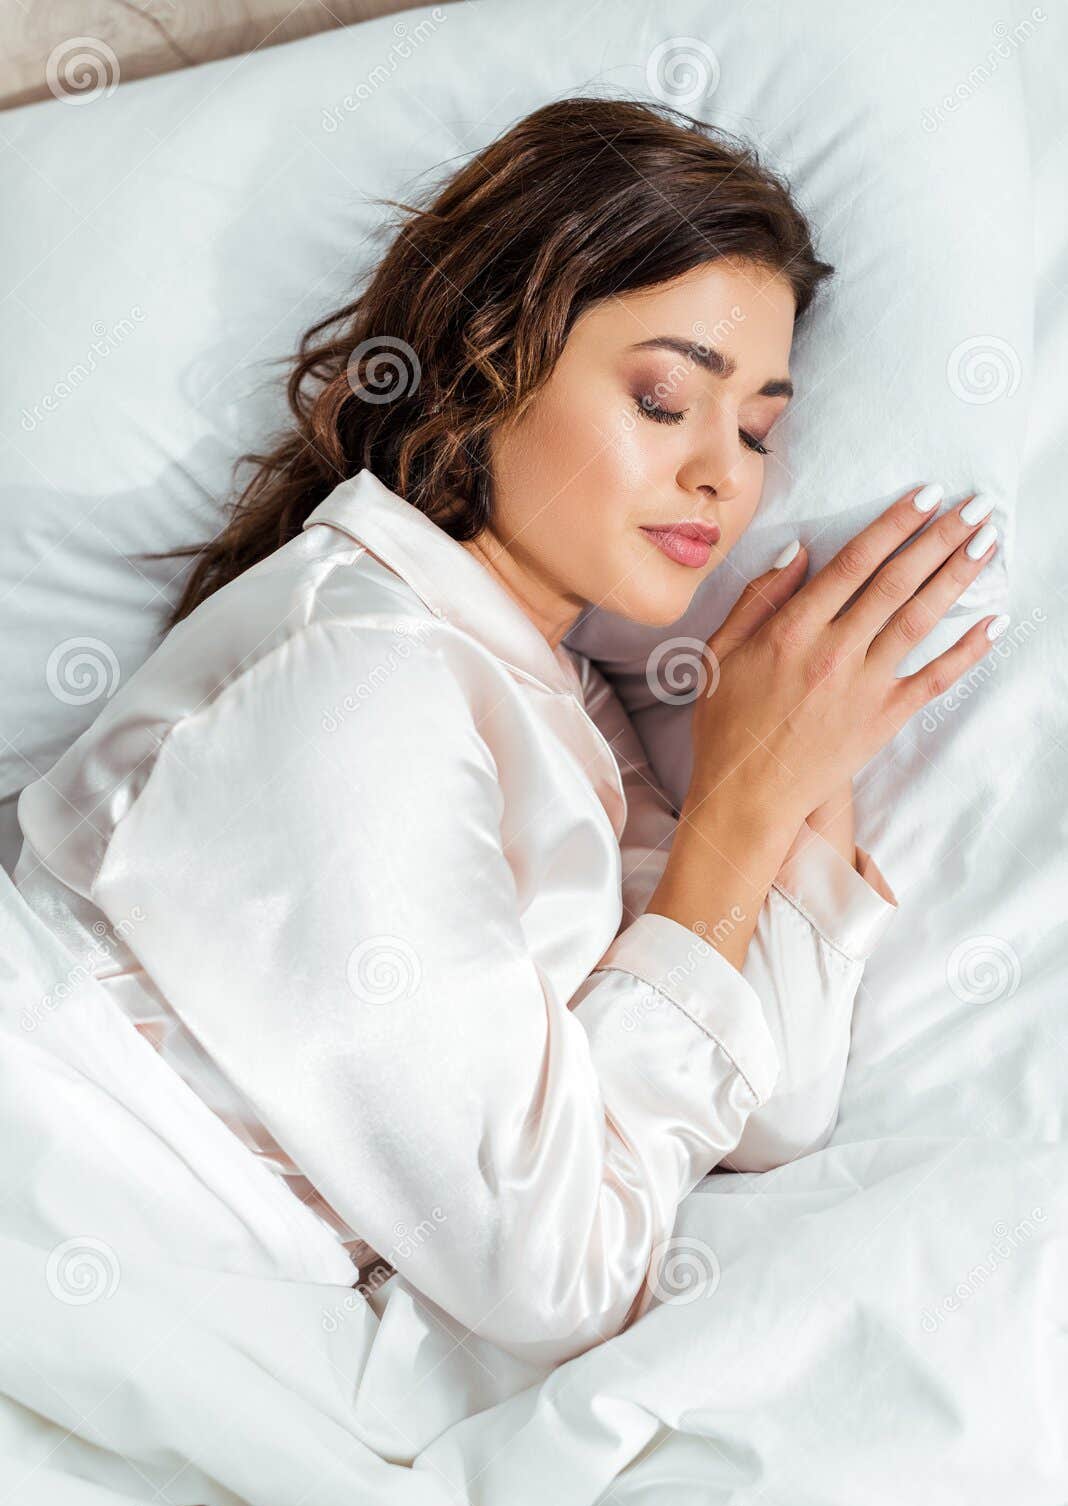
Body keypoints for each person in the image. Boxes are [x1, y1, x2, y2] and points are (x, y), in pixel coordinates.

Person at [13, 98, 1001, 1369]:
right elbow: (561, 1270)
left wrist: (804, 753)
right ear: (494, 359)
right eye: (663, 398)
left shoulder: (562, 697)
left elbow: (778, 1103)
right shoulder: (350, 673)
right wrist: (745, 805)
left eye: (756, 428)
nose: (724, 473)